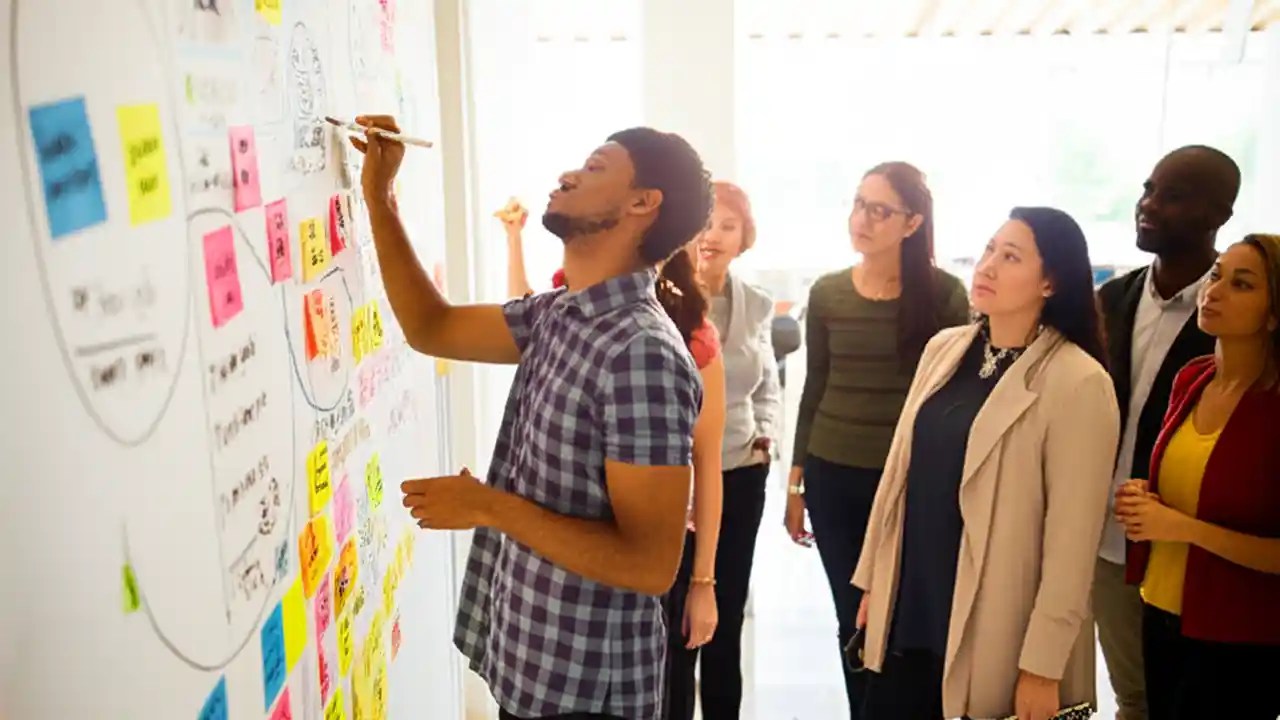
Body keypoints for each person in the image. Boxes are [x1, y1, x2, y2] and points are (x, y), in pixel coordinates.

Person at [351, 115, 712, 720]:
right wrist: (380, 198)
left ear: (642, 203)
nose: (569, 175)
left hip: (586, 694)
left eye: (595, 168)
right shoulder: (558, 314)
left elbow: (649, 565)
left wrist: (488, 506)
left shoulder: (642, 352)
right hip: (534, 666)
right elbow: (433, 326)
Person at [853, 207, 1120, 720]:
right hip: (910, 607)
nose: (988, 266)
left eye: (1011, 257)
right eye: (990, 250)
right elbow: (899, 477)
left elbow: (1072, 543)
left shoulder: (1078, 381)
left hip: (997, 622)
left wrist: (1043, 667)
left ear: (1050, 282)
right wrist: (873, 581)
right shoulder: (945, 349)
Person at [497, 199, 730, 675]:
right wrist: (514, 239)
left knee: (665, 682)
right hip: (571, 568)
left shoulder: (685, 332)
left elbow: (707, 463)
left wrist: (703, 582)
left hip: (661, 549)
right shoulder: (571, 305)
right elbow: (521, 325)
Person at [785, 161, 968, 718]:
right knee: (852, 618)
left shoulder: (944, 296)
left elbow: (954, 399)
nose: (861, 219)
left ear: (912, 223)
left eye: (879, 210)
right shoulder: (828, 293)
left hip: (909, 481)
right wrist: (794, 484)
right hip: (832, 472)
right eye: (858, 204)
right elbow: (815, 386)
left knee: (902, 619)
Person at [1095, 145, 1241, 720]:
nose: (1149, 205)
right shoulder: (1112, 300)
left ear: (1218, 215)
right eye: (1148, 189)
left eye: (1172, 196)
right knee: (1133, 699)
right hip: (1110, 541)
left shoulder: (1240, 312)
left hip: (1198, 550)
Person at [1116, 234, 1280, 720]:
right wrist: (1145, 499)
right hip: (1161, 609)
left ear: (1274, 314)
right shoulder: (1193, 377)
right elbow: (1189, 490)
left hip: (1239, 635)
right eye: (1216, 276)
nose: (1214, 291)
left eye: (1242, 284)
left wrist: (1184, 528)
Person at [663, 181, 780, 720]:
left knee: (726, 613)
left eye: (727, 226)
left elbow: (766, 381)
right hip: (677, 477)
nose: (713, 236)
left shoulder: (756, 304)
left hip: (739, 470)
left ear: (743, 238)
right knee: (677, 619)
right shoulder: (663, 298)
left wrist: (766, 436)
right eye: (706, 224)